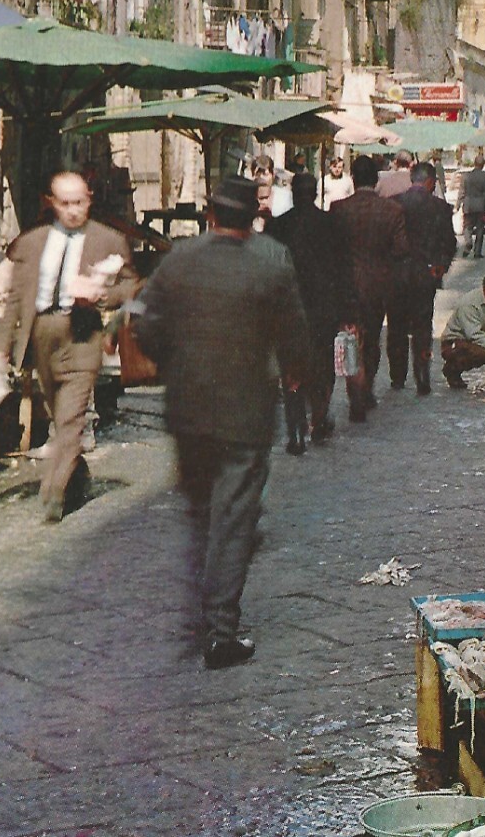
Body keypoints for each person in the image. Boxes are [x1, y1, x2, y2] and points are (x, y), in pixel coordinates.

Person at [134, 177, 308, 670]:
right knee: (233, 520)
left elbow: (146, 327)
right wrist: (295, 373)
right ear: (253, 217)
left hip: (187, 410)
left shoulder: (179, 260)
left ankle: (202, 612)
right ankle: (220, 630)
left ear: (210, 214)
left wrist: (174, 364)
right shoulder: (271, 262)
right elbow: (294, 333)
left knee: (200, 513)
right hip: (245, 412)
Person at [0, 171, 137, 522]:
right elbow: (15, 300)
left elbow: (132, 285)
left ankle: (54, 492)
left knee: (71, 417)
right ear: (52, 203)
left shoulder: (109, 239)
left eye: (79, 202)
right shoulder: (31, 242)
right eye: (65, 203)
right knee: (56, 410)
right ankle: (76, 471)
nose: (72, 210)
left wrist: (102, 293)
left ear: (89, 200)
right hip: (42, 333)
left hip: (83, 333)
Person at [268, 171, 353, 453]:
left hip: (287, 308)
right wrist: (347, 310)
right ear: (315, 193)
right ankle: (318, 418)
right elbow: (344, 270)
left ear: (294, 194)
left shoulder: (277, 226)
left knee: (291, 368)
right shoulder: (332, 224)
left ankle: (296, 430)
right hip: (323, 309)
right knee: (322, 366)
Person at [332, 155, 410, 420]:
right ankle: (366, 389)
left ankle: (355, 392)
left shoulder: (338, 208)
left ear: (353, 178)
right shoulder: (392, 210)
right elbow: (401, 250)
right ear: (376, 180)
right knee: (372, 339)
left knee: (350, 338)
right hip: (378, 285)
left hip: (345, 284)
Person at [389, 162, 457, 394]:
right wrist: (441, 267)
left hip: (397, 275)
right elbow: (449, 242)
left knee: (396, 326)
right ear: (430, 181)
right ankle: (422, 376)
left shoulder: (394, 203)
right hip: (425, 275)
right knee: (423, 328)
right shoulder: (440, 207)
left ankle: (397, 377)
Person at [460, 154, 485, 258]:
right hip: (481, 206)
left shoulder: (466, 176)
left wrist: (458, 204)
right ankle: (477, 252)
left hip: (468, 205)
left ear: (474, 163)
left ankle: (468, 242)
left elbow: (462, 192)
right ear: (483, 165)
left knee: (467, 227)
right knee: (480, 229)